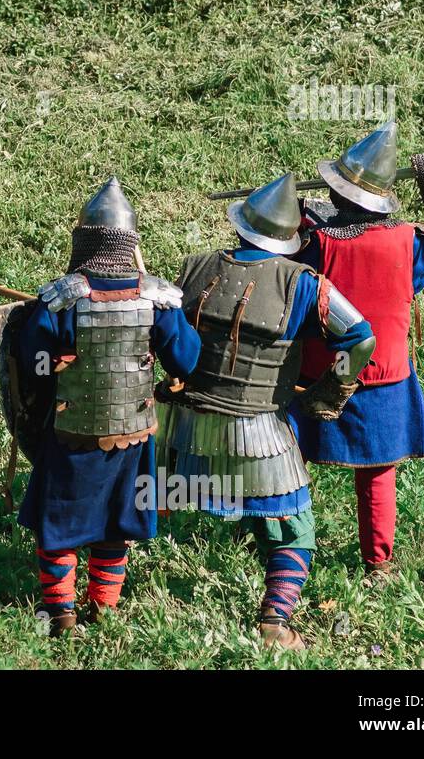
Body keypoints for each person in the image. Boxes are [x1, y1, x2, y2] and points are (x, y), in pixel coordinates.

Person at [158, 173, 375, 650]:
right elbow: (361, 338)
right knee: (294, 531)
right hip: (260, 432)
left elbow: (168, 340)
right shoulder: (303, 285)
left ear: (240, 226)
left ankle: (96, 600)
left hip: (182, 427)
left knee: (144, 505)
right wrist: (333, 384)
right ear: (289, 238)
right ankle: (274, 624)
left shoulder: (192, 269)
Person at [4, 177, 200, 636]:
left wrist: (53, 361)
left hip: (72, 430)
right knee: (117, 518)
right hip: (132, 433)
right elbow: (186, 360)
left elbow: (29, 365)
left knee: (60, 519)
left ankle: (60, 615)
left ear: (85, 241)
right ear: (130, 243)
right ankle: (103, 608)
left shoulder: (62, 298)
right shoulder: (158, 298)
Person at [290, 122, 424, 576]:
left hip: (317, 374)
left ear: (338, 197)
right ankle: (377, 564)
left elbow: (270, 248)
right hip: (384, 375)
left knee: (287, 460)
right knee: (377, 473)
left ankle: (282, 547)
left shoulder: (314, 245)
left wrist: (291, 211)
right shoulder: (410, 242)